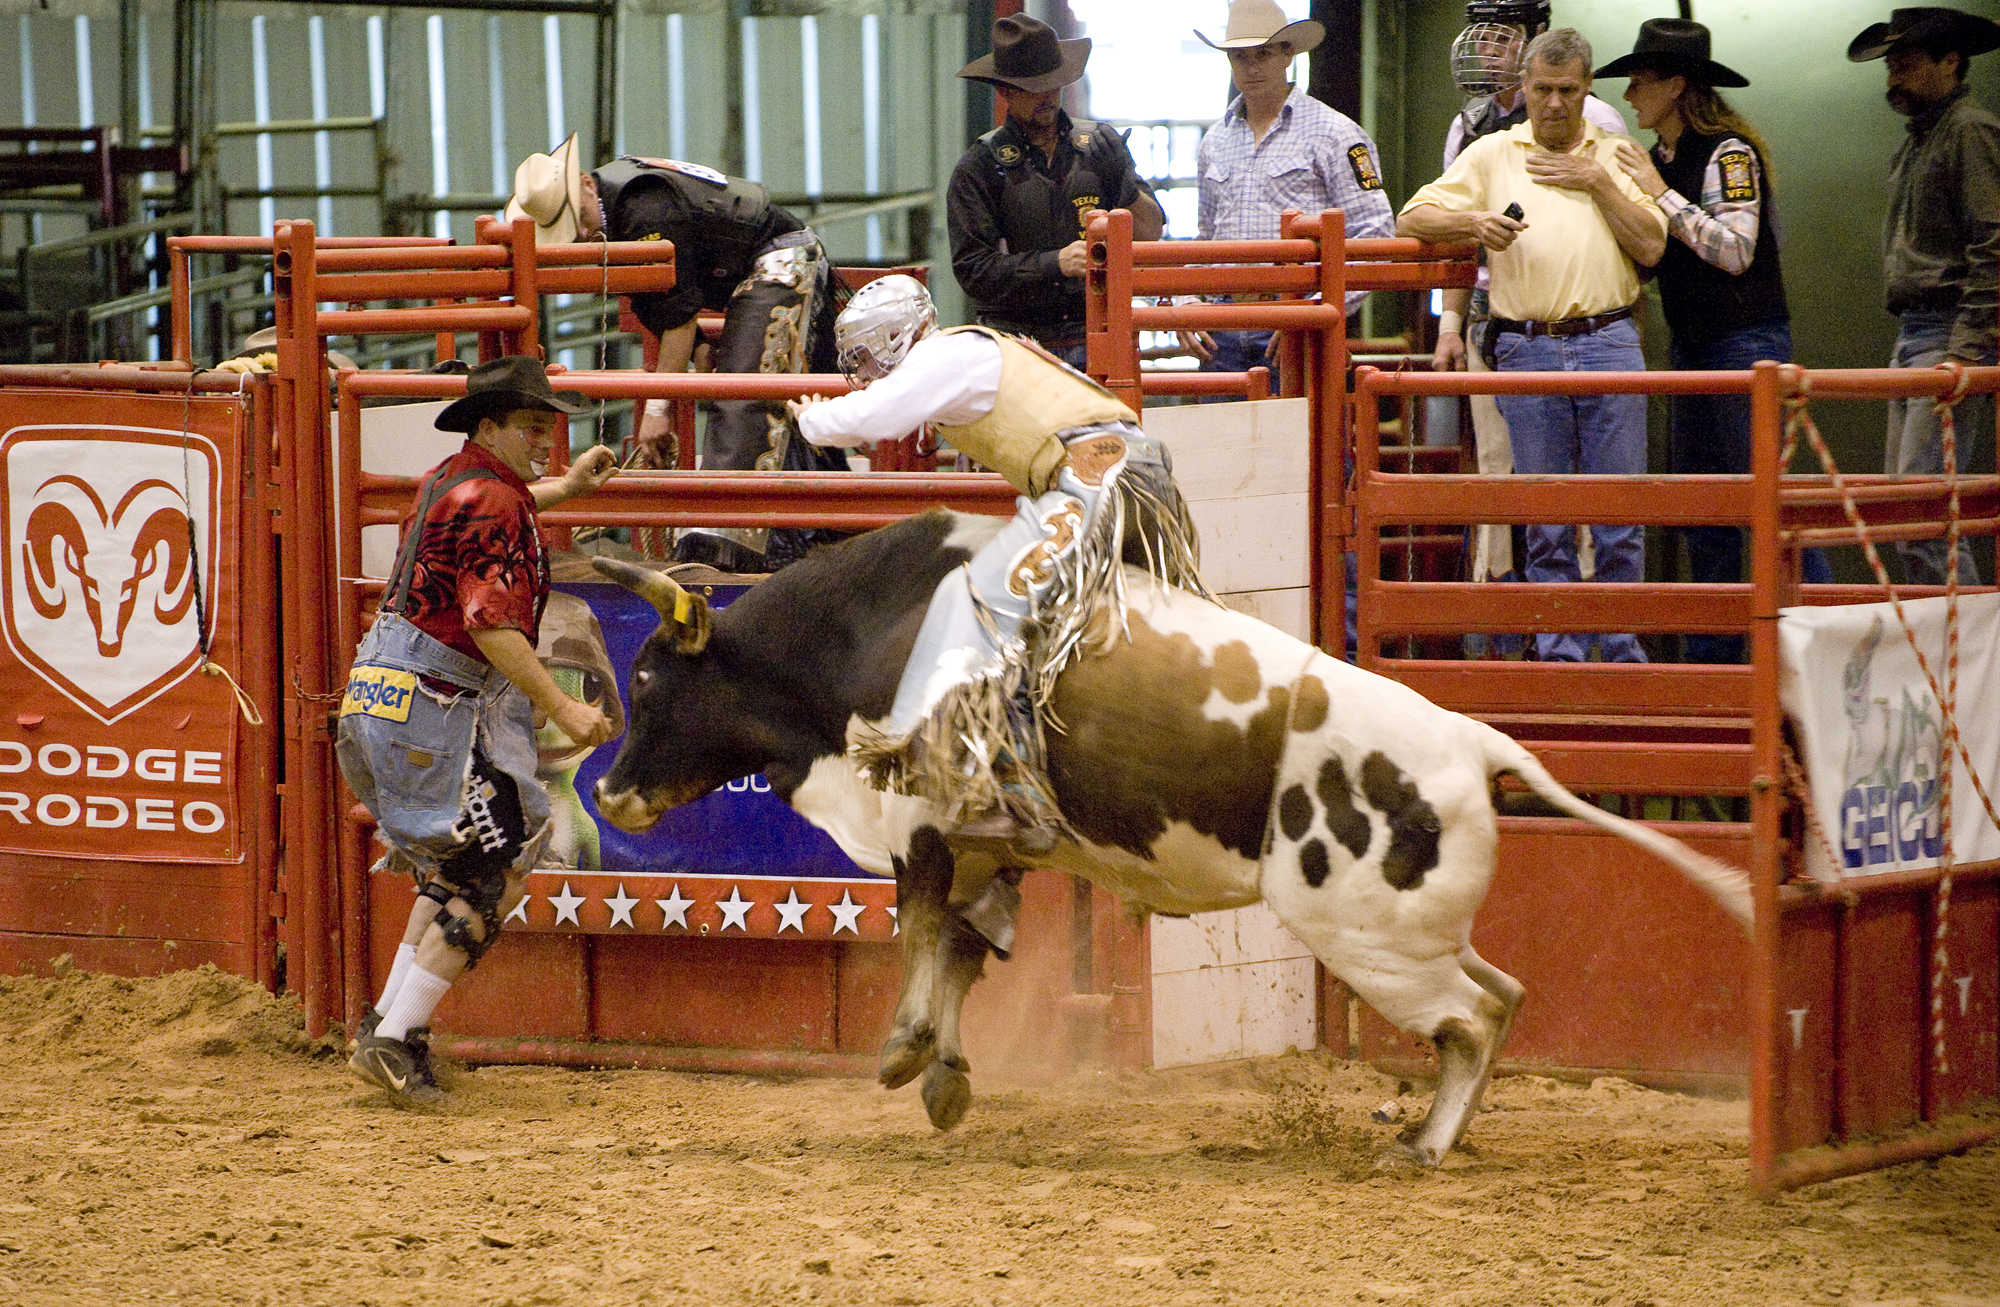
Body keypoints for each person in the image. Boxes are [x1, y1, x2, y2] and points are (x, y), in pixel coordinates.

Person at [787, 275, 1208, 855]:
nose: (861, 371)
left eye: (862, 356)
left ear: (891, 338)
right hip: (1123, 473)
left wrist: (812, 419)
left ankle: (1016, 794)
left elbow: (873, 417)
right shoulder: (969, 350)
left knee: (975, 602)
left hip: (1094, 479)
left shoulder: (941, 356)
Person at [339, 355, 619, 1102]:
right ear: (491, 425)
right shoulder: (495, 502)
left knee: (465, 858)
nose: (544, 440)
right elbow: (490, 621)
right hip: (435, 701)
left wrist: (569, 489)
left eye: (547, 428)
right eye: (532, 426)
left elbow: (497, 516)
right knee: (502, 856)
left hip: (386, 691)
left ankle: (390, 1022)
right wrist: (564, 708)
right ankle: (396, 1037)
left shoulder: (454, 480)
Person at [1398, 27, 1667, 663]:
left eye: (1566, 91)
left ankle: (1623, 654)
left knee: (1618, 513)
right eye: (1541, 89)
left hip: (1608, 338)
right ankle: (1560, 655)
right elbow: (1410, 217)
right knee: (1544, 515)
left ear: (1586, 89)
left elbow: (1653, 246)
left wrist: (1594, 180)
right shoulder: (1492, 152)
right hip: (1528, 342)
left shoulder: (1616, 152)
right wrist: (1472, 222)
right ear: (1524, 88)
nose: (1552, 103)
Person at [506, 133, 845, 574]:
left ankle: (731, 550)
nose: (585, 233)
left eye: (581, 220)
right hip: (756, 266)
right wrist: (702, 348)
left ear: (588, 186)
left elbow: (678, 318)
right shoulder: (628, 205)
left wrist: (657, 410)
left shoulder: (644, 208)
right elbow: (669, 299)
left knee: (746, 395)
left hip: (779, 260)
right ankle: (798, 537)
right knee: (760, 395)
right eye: (575, 231)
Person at [1597, 19, 1802, 664]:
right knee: (1704, 503)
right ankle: (1718, 659)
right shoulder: (1664, 157)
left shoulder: (1726, 153)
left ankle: (1800, 645)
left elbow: (1736, 250)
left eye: (1642, 79)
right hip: (1698, 343)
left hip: (1746, 342)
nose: (1631, 94)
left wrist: (1661, 197)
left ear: (1675, 86)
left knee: (1770, 499)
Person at [1432, 1, 1628, 615]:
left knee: (1607, 497)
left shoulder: (1600, 123)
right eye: (1482, 40)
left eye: (1502, 39)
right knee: (1507, 475)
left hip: (1596, 314)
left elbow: (1637, 238)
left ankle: (1604, 632)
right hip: (1506, 312)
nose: (1489, 53)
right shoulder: (1473, 128)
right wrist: (1451, 321)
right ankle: (1523, 626)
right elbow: (1451, 230)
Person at [1850, 5, 2000, 586]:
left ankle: (1972, 660)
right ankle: (1960, 658)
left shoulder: (1967, 131)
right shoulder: (1930, 137)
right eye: (1892, 65)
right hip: (1923, 333)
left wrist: (1965, 348)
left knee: (1918, 514)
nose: (1894, 76)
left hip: (1942, 335)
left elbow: (1994, 244)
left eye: (1906, 63)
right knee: (1911, 513)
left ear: (1950, 62)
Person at [1180, 0, 1396, 394]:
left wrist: (1315, 309)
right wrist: (1188, 301)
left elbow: (1377, 233)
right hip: (1224, 322)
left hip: (1295, 319)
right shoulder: (1215, 141)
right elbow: (1206, 238)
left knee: (1307, 447)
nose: (1251, 66)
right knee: (1223, 448)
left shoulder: (1335, 133)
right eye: (1240, 56)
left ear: (1287, 53)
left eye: (1263, 53)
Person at [948, 14, 1166, 368]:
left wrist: (1123, 189)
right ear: (1005, 90)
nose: (1047, 96)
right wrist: (1055, 263)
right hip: (1016, 342)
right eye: (1032, 88)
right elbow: (973, 271)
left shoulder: (1099, 147)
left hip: (1096, 330)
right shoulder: (980, 166)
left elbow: (1151, 233)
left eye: (1053, 84)